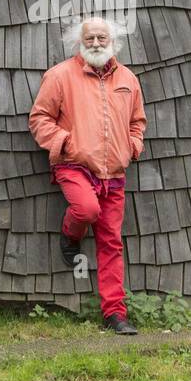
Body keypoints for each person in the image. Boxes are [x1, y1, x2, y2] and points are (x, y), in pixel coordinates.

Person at [28, 16, 147, 334]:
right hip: (75, 165)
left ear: (113, 42)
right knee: (86, 209)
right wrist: (63, 143)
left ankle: (115, 314)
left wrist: (133, 146)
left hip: (115, 172)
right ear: (80, 42)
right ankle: (70, 234)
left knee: (111, 243)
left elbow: (137, 121)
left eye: (102, 38)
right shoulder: (60, 75)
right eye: (90, 38)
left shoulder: (128, 79)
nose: (96, 43)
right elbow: (40, 118)